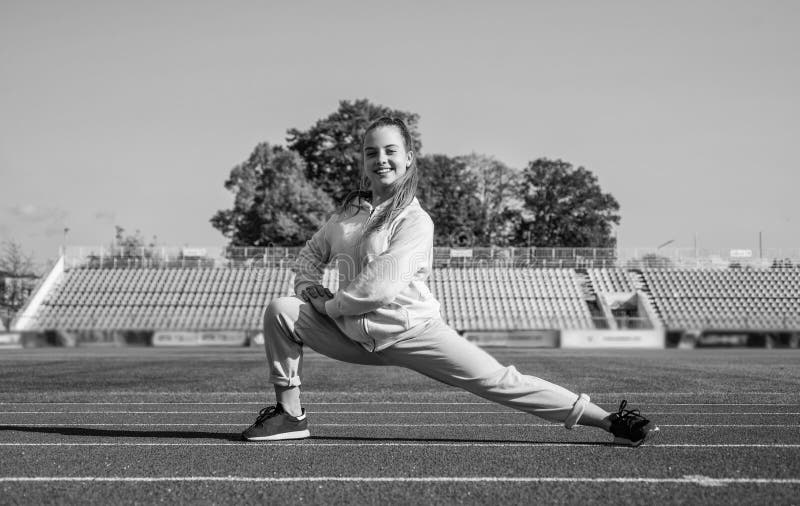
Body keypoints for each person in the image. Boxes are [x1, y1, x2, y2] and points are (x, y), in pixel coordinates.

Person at [242, 116, 658, 446]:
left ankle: (609, 421)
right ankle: (290, 416)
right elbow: (311, 255)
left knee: (500, 381)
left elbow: (378, 289)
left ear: (408, 158)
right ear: (363, 161)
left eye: (390, 151)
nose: (381, 159)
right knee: (281, 310)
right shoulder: (346, 216)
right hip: (350, 334)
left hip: (412, 333)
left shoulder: (415, 221)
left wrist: (328, 306)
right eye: (372, 152)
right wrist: (308, 287)